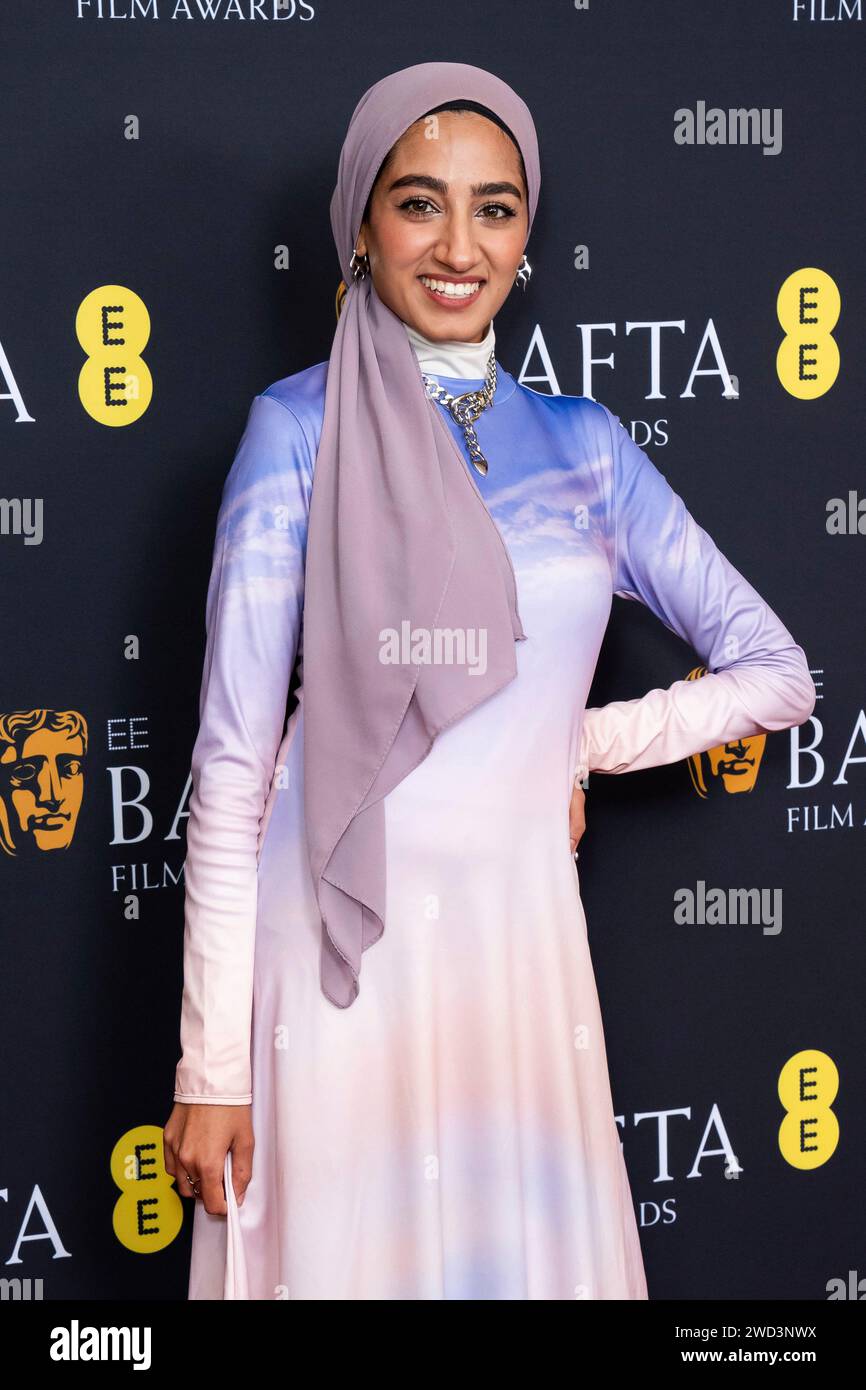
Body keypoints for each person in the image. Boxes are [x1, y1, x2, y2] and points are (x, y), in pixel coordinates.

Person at [163, 61, 816, 1301]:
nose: (458, 245)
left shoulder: (585, 450)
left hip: (517, 963)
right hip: (331, 958)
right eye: (418, 203)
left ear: (526, 233)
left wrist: (571, 744)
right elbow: (236, 763)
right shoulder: (292, 432)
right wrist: (211, 1067)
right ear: (359, 221)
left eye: (496, 207)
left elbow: (773, 671)